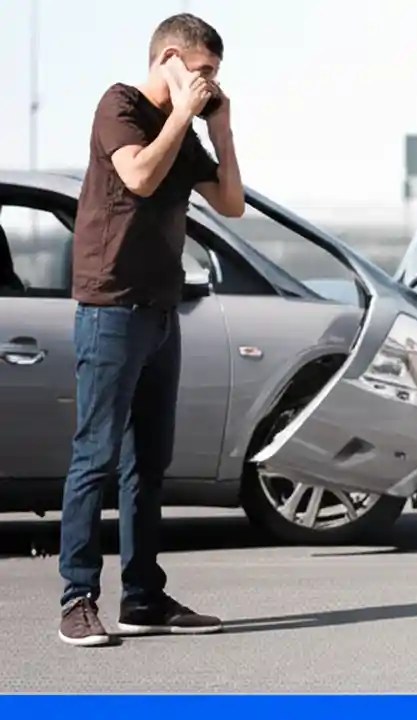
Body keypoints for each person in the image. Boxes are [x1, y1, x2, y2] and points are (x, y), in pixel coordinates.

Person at [58, 13, 245, 647]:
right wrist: (181, 114)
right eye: (203, 73)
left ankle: (143, 598)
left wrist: (220, 128)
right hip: (110, 309)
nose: (209, 85)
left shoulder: (188, 131)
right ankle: (77, 599)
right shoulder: (121, 106)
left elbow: (232, 202)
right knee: (95, 459)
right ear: (169, 59)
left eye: (215, 78)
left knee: (148, 468)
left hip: (163, 313)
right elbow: (137, 175)